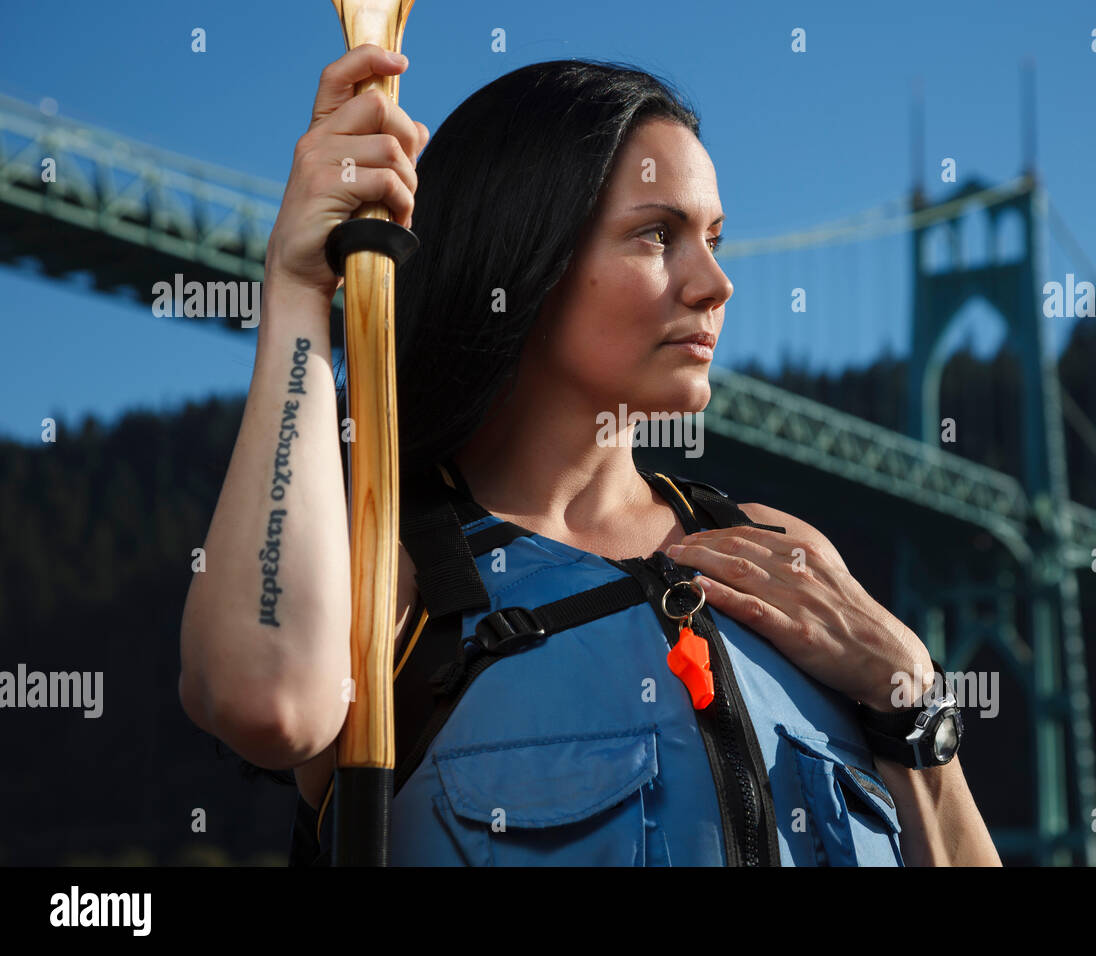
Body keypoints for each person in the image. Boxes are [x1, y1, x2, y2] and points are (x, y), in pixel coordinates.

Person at [178, 44, 1001, 866]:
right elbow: (267, 700)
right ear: (524, 256)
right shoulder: (396, 577)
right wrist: (295, 286)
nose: (717, 283)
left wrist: (914, 701)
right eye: (656, 235)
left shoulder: (784, 558)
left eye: (714, 237)